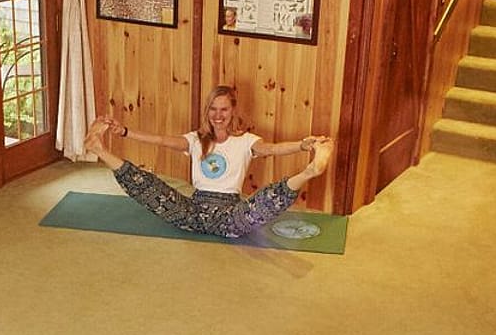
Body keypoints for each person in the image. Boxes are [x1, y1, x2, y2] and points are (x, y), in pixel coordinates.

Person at [86, 85, 332, 238]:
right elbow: (161, 140)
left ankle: (310, 171)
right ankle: (100, 150)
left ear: (233, 111)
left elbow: (272, 149)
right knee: (149, 186)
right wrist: (124, 131)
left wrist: (303, 145)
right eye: (213, 109)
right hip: (192, 213)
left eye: (223, 110)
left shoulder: (246, 141)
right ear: (207, 111)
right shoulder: (195, 140)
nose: (218, 116)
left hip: (232, 217)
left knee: (264, 203)